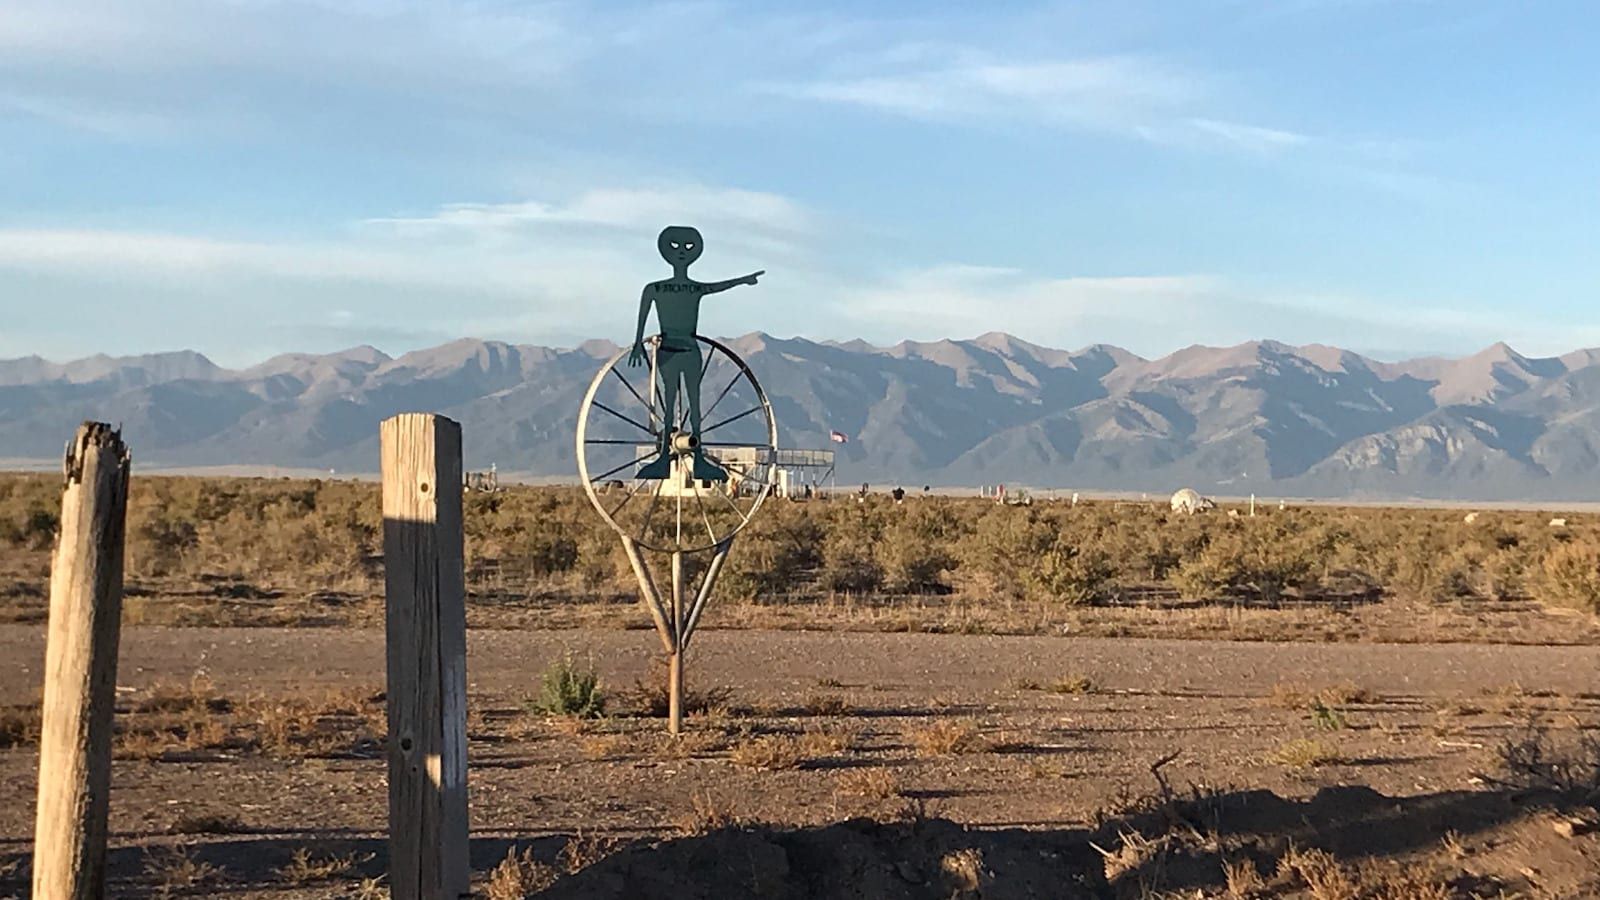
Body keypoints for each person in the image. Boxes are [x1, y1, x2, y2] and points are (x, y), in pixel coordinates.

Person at [629, 225, 763, 480]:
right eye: (675, 247)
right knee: (670, 404)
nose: (681, 252)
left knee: (695, 404)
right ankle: (664, 460)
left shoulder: (690, 288)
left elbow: (718, 286)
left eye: (688, 247)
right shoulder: (655, 289)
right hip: (669, 350)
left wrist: (743, 280)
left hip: (689, 350)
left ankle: (699, 460)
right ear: (665, 251)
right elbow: (643, 315)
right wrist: (638, 343)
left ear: (696, 252)